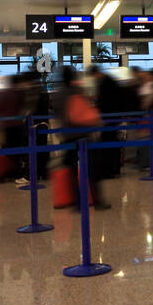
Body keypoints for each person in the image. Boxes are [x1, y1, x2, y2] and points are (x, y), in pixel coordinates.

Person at [58, 66, 108, 209]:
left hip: (68, 136)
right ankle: (98, 201)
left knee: (73, 171)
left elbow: (59, 115)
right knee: (92, 169)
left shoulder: (58, 94)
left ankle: (78, 203)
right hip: (85, 135)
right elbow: (89, 109)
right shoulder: (79, 90)